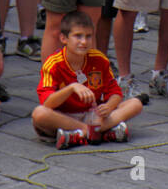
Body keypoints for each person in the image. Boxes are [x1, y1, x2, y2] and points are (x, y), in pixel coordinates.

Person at [32, 10, 141, 150]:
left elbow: (115, 92)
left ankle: (80, 135)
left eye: (88, 36)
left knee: (135, 103)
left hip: (93, 115)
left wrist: (109, 106)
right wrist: (71, 88)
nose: (84, 42)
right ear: (63, 38)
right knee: (39, 114)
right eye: (78, 36)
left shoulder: (99, 59)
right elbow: (47, 103)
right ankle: (97, 132)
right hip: (64, 117)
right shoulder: (53, 64)